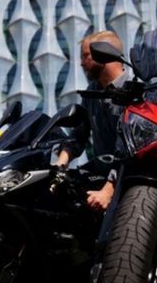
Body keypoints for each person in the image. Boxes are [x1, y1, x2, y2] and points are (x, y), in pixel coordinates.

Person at [55, 30, 132, 213]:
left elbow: (131, 149)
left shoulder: (134, 90)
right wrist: (59, 167)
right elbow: (79, 135)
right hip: (100, 174)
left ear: (105, 54)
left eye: (86, 56)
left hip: (128, 181)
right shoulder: (92, 92)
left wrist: (108, 191)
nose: (82, 63)